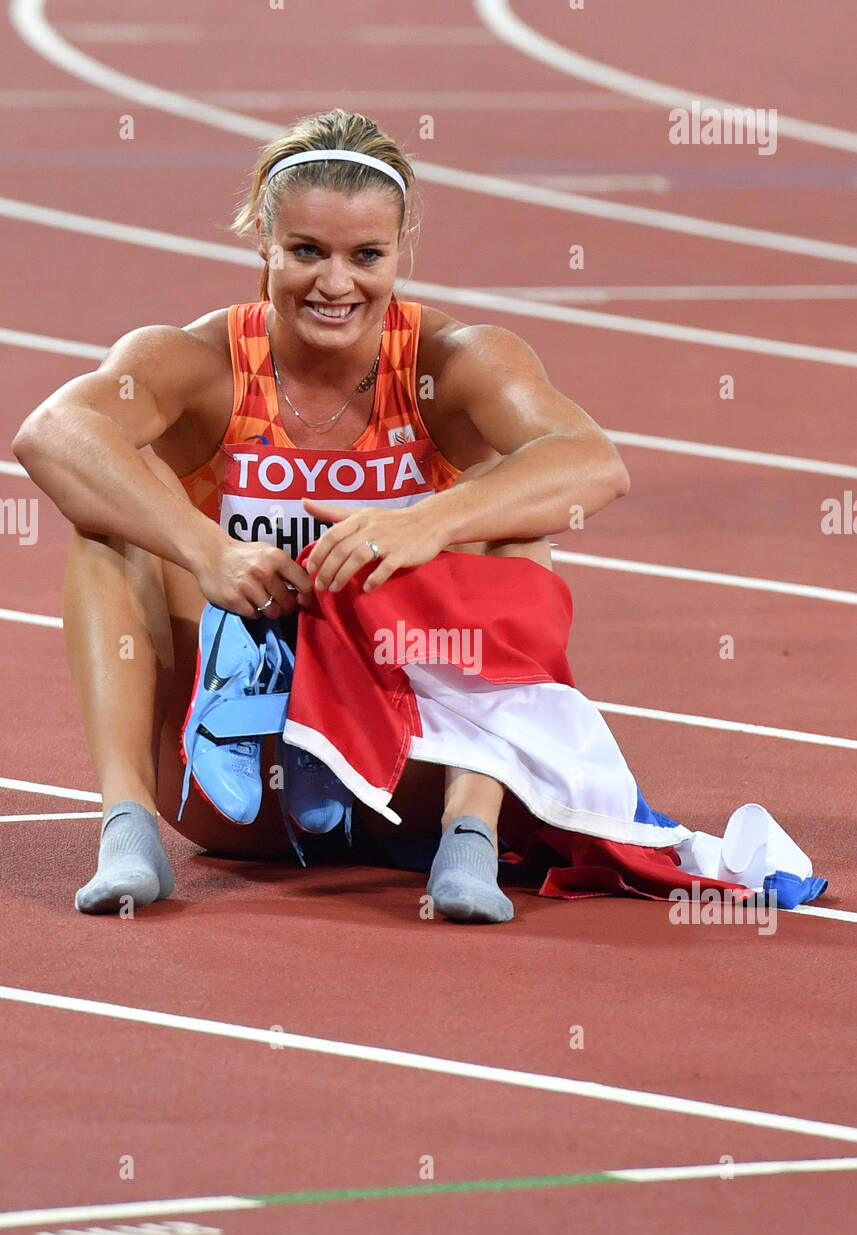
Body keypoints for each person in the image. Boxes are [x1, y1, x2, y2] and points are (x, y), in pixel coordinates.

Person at [12, 108, 629, 921]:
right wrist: (206, 549)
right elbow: (50, 433)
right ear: (262, 246)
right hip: (235, 784)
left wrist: (427, 522)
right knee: (107, 534)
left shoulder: (455, 361)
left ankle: (468, 838)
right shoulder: (200, 361)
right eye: (306, 252)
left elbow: (592, 463)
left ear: (400, 253)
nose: (335, 284)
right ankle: (127, 829)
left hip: (404, 768)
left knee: (513, 532)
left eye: (364, 256)